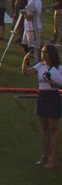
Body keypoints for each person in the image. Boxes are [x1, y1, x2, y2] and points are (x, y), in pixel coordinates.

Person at [31, 40, 62, 168]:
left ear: (52, 54)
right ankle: (44, 155)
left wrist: (55, 84)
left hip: (53, 97)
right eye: (43, 52)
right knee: (44, 128)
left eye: (46, 52)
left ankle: (53, 159)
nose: (44, 54)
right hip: (42, 96)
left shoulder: (59, 68)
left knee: (53, 129)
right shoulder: (40, 66)